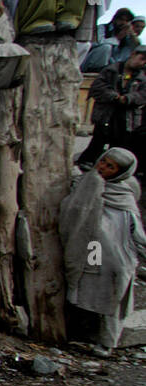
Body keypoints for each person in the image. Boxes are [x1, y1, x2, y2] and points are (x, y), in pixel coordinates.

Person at [60, 148, 146, 355]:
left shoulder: (124, 195)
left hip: (117, 256)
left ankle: (107, 343)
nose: (103, 168)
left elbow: (136, 230)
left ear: (120, 172)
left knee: (114, 296)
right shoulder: (85, 183)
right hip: (92, 248)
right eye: (103, 162)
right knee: (83, 285)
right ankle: (81, 334)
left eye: (110, 167)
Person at [85, 48, 146, 170]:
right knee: (98, 141)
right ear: (133, 54)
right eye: (142, 59)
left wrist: (127, 98)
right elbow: (97, 88)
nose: (143, 63)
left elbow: (143, 95)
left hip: (126, 117)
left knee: (119, 146)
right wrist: (114, 96)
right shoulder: (111, 70)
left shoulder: (142, 77)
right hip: (106, 114)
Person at [82, 8, 140, 74]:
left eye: (127, 21)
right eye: (121, 20)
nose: (123, 23)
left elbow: (137, 48)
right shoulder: (102, 28)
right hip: (91, 62)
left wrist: (132, 35)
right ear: (115, 19)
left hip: (113, 65)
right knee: (106, 47)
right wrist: (117, 38)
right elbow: (99, 43)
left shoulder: (127, 34)